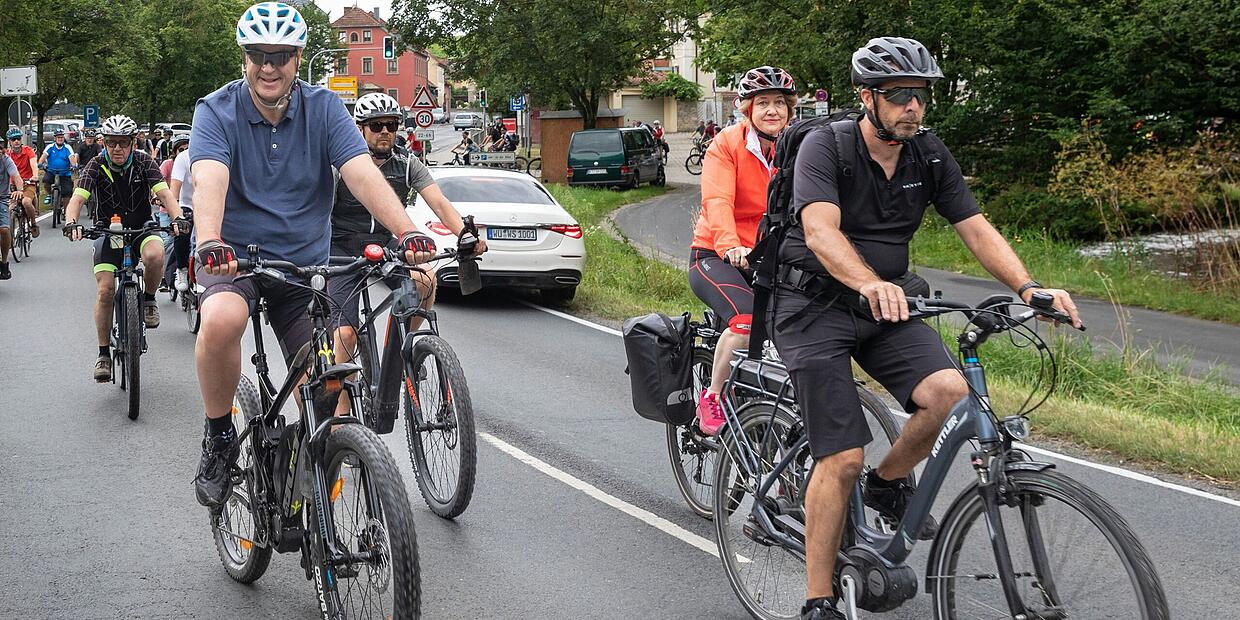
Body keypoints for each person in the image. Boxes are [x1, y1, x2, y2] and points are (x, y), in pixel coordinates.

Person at [771, 37, 1083, 620]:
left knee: (949, 392)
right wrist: (867, 281)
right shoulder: (825, 146)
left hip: (887, 307)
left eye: (921, 95)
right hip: (812, 306)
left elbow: (974, 225)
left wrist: (1028, 287)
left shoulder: (928, 155)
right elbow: (820, 231)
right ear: (868, 98)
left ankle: (888, 483)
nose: (912, 106)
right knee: (840, 458)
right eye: (899, 95)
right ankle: (818, 599)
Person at [188, 2, 436, 510]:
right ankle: (217, 439)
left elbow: (361, 173)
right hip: (237, 262)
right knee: (220, 319)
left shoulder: (324, 109)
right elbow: (208, 176)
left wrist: (407, 230)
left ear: (298, 58)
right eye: (257, 54)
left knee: (329, 397)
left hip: (305, 271)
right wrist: (210, 239)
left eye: (279, 54)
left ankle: (309, 497)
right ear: (244, 58)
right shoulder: (215, 110)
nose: (268, 65)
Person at [327, 92, 487, 413]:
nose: (385, 131)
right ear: (360, 129)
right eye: (376, 125)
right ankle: (339, 421)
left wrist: (465, 235)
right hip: (340, 247)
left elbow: (439, 203)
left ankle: (405, 349)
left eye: (391, 125)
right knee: (345, 337)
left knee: (426, 279)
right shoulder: (340, 165)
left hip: (386, 242)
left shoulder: (406, 162)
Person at [688, 65, 797, 435]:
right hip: (716, 255)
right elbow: (717, 200)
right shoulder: (727, 145)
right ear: (747, 108)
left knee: (803, 323)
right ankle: (713, 396)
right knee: (748, 320)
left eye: (780, 103)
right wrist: (730, 243)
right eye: (762, 102)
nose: (772, 110)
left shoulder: (796, 148)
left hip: (768, 256)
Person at [62, 114, 186, 381]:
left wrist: (178, 218)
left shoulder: (144, 162)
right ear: (104, 143)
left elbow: (165, 195)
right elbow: (78, 198)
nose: (117, 148)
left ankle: (150, 300)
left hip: (142, 228)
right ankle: (103, 354)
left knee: (155, 255)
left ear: (132, 142)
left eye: (123, 143)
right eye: (111, 143)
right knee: (106, 290)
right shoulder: (95, 165)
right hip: (108, 232)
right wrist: (72, 222)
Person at [162, 135, 192, 292]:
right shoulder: (183, 158)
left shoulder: (215, 154)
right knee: (182, 232)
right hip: (187, 206)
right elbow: (175, 189)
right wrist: (175, 213)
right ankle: (181, 269)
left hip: (210, 207)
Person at [5, 129, 39, 245]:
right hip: (13, 185)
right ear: (9, 142)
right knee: (10, 209)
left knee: (26, 202)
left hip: (28, 183)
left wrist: (35, 175)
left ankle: (33, 223)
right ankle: (9, 238)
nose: (16, 141)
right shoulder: (7, 155)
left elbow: (33, 164)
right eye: (13, 139)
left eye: (18, 139)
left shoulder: (28, 151)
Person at [38, 129, 74, 232]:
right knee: (45, 181)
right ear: (55, 138)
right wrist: (40, 163)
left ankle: (67, 213)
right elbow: (43, 156)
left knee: (67, 192)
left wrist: (74, 165)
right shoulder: (50, 147)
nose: (60, 139)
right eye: (58, 137)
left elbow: (72, 158)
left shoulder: (67, 147)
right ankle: (50, 195)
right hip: (51, 171)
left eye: (62, 137)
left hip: (65, 172)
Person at [1, 149, 28, 280]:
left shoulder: (6, 160)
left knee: (5, 230)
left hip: (1, 199)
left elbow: (16, 176)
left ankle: (4, 263)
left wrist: (19, 190)